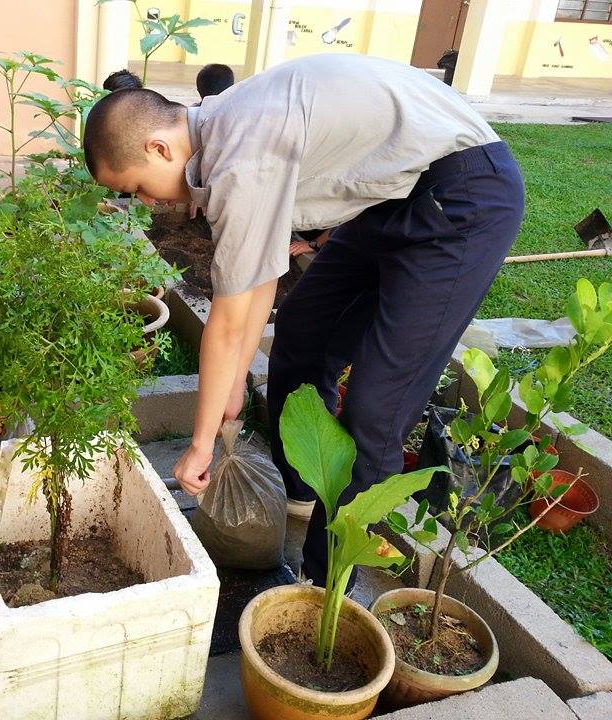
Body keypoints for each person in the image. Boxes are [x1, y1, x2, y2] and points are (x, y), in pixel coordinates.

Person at [81, 54, 524, 589]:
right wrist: (233, 388)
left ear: (159, 147)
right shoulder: (224, 132)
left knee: (376, 408)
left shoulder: (240, 159)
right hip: (391, 195)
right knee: (302, 331)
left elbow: (225, 318)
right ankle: (301, 488)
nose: (148, 203)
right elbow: (260, 280)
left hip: (463, 197)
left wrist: (200, 443)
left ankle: (326, 583)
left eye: (138, 189)